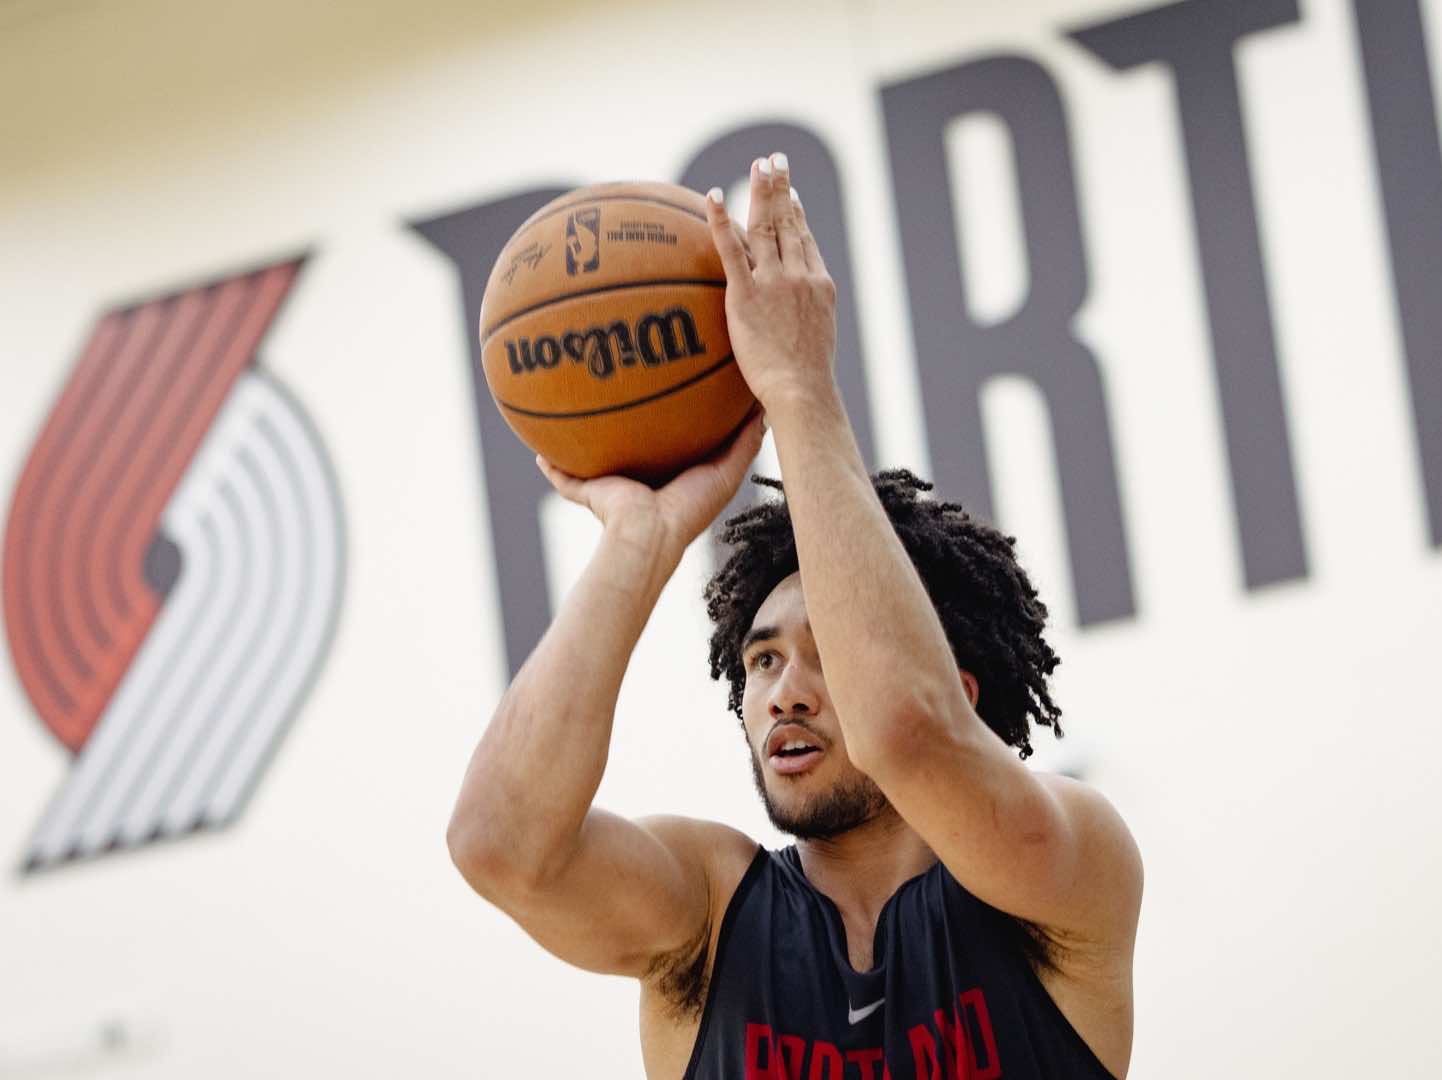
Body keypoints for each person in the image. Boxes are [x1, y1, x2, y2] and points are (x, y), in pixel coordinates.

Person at [447, 152, 1143, 1079]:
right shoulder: (710, 919)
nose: (785, 692)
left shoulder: (1060, 879)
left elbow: (906, 729)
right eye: (763, 660)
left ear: (961, 689)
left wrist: (801, 393)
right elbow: (498, 846)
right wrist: (640, 541)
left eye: (827, 653)